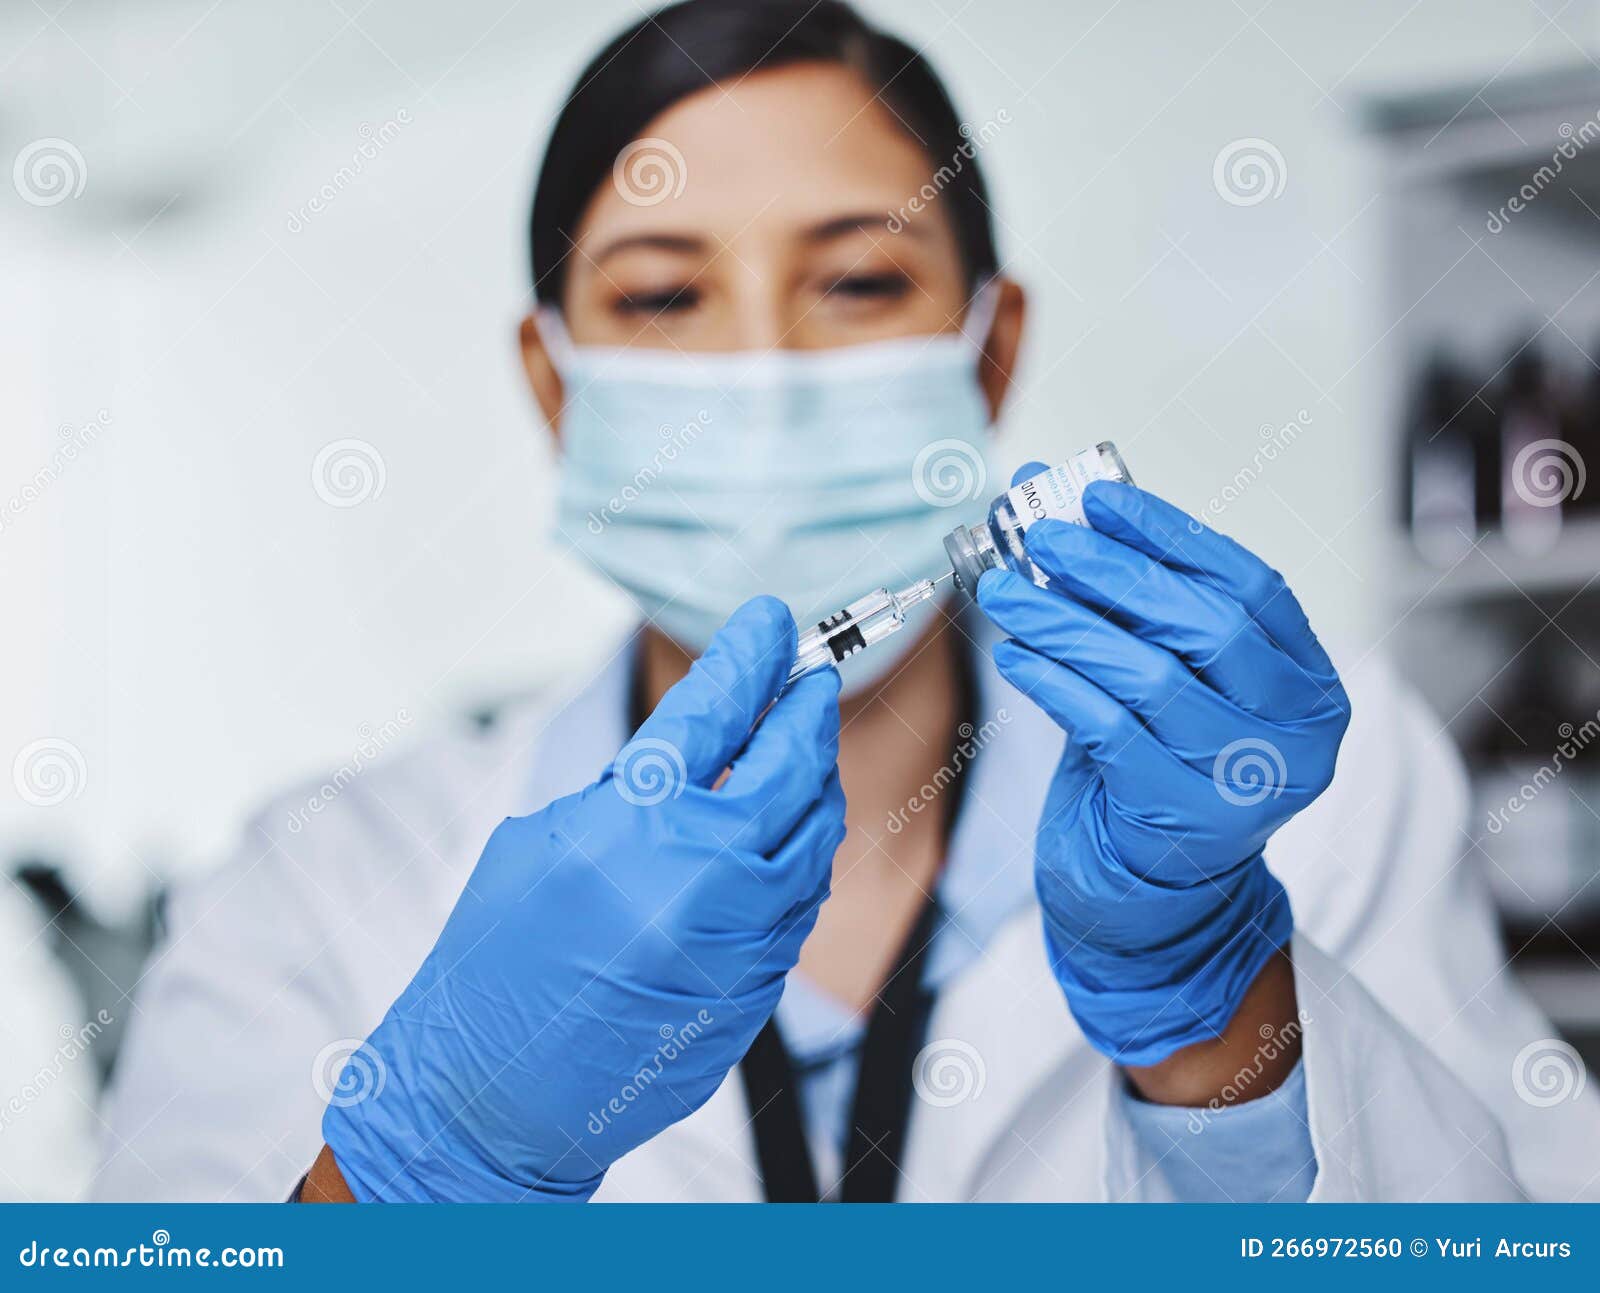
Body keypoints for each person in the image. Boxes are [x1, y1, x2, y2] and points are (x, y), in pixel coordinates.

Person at [94, 0, 1599, 1204]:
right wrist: (424, 1176)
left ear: (991, 352)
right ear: (555, 381)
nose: (766, 373)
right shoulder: (323, 892)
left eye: (861, 285)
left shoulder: (1302, 809)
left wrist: (1214, 1013)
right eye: (666, 296)